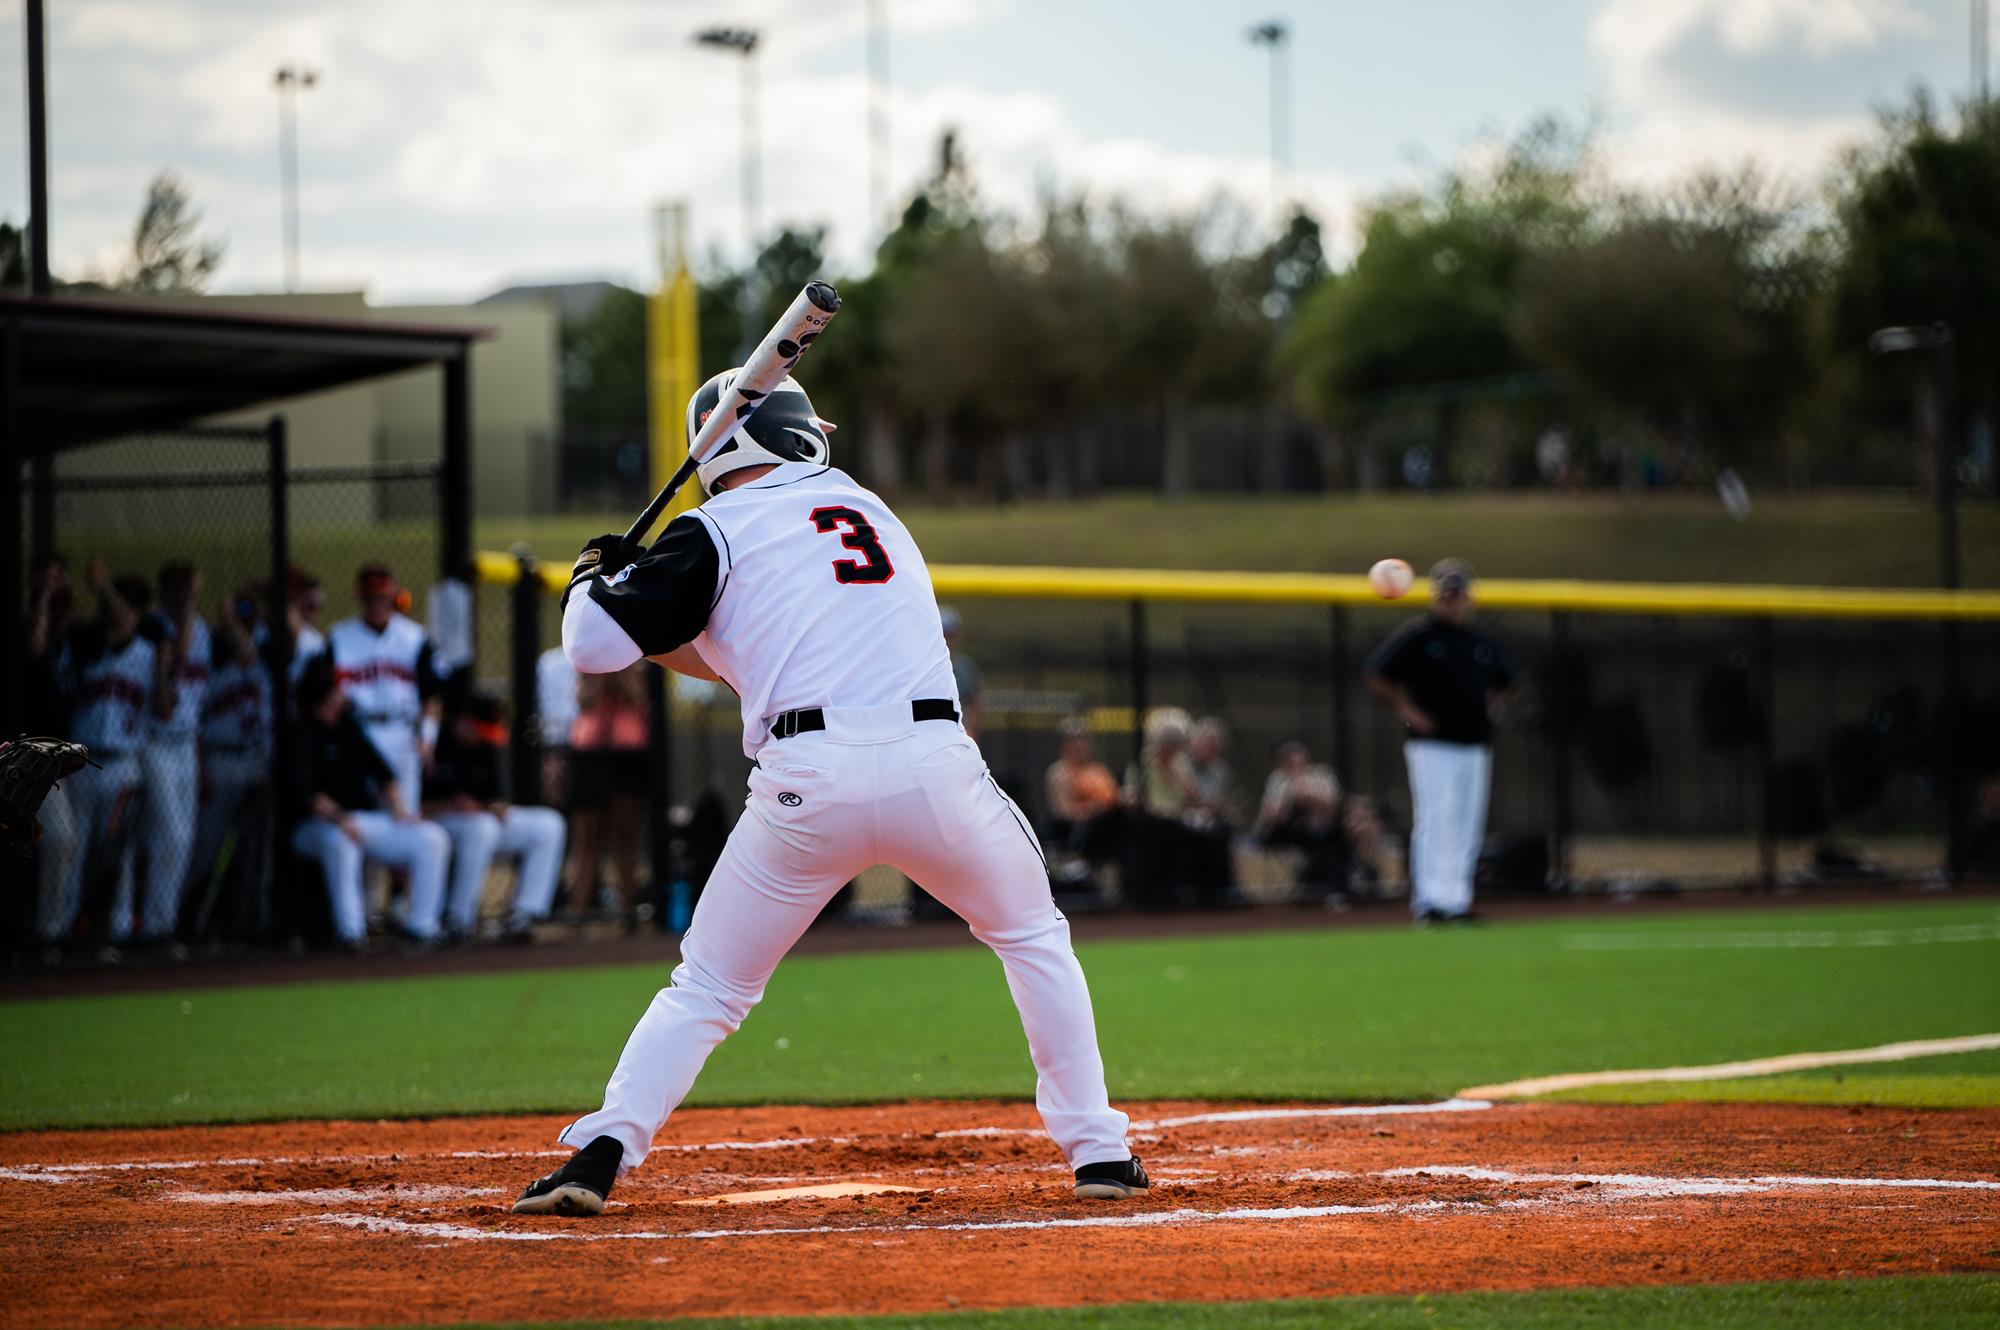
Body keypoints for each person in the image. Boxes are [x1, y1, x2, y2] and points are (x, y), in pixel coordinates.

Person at [512, 367, 1141, 1217]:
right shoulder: (871, 509)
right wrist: (654, 605)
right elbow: (738, 650)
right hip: (934, 768)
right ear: (788, 433)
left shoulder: (709, 529)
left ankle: (601, 1153)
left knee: (707, 988)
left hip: (808, 783)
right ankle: (1099, 1151)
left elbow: (592, 650)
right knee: (1033, 937)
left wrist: (599, 577)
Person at [1366, 559, 1513, 924]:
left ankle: (1457, 900)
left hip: (1475, 744)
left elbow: (1506, 680)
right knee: (1435, 819)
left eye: (1458, 595)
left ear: (1469, 598)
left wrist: (1493, 707)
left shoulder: (1480, 641)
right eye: (1446, 595)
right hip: (1432, 745)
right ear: (1436, 598)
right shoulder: (1419, 636)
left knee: (1467, 822)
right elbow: (1377, 673)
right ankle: (1429, 902)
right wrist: (1407, 711)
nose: (1453, 601)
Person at [38, 565, 164, 950]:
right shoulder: (87, 645)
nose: (115, 611)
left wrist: (103, 586)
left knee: (117, 855)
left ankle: (116, 931)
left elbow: (125, 620)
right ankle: (62, 933)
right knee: (75, 850)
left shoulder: (148, 650)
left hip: (124, 762)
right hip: (83, 761)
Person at [289, 659, 450, 950]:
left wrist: (400, 809)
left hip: (359, 820)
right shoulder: (303, 733)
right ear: (325, 697)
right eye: (337, 690)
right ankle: (351, 933)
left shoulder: (349, 726)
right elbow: (307, 796)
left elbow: (384, 775)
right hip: (316, 827)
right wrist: (340, 819)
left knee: (430, 838)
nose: (344, 694)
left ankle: (422, 926)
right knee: (341, 842)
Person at [426, 687, 568, 944]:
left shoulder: (484, 747)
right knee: (481, 827)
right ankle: (459, 919)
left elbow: (491, 799)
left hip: (480, 823)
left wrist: (495, 807)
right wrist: (454, 804)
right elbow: (419, 806)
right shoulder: (435, 744)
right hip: (440, 824)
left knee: (548, 824)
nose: (484, 738)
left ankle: (524, 914)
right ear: (463, 722)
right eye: (479, 730)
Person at [325, 563, 449, 807]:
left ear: (393, 596)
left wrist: (427, 738)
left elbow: (431, 697)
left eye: (381, 597)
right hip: (358, 733)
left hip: (402, 732)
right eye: (370, 598)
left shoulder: (415, 638)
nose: (376, 604)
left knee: (405, 813)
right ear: (360, 597)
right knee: (362, 811)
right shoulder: (339, 637)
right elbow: (327, 697)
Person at [132, 561, 209, 948]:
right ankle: (155, 926)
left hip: (186, 742)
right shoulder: (151, 627)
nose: (183, 595)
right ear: (165, 591)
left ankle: (162, 921)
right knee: (171, 835)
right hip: (153, 740)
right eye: (177, 589)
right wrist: (191, 603)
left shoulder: (205, 633)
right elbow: (176, 653)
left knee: (183, 836)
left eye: (189, 588)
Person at [186, 594, 273, 934]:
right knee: (204, 851)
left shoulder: (262, 661)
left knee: (253, 856)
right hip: (219, 760)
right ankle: (186, 919)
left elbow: (249, 653)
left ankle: (245, 923)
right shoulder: (212, 664)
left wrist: (237, 621)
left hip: (253, 760)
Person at [565, 663, 651, 927]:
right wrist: (600, 673)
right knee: (587, 838)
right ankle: (580, 911)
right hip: (590, 752)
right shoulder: (589, 660)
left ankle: (627, 910)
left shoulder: (636, 660)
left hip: (626, 752)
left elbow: (637, 698)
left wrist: (622, 671)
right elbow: (585, 701)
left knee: (625, 835)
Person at [1043, 717, 1122, 876]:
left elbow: (1114, 799)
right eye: (1074, 741)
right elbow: (1063, 812)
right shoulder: (1060, 772)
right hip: (1081, 832)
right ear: (1064, 745)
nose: (1080, 745)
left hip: (1109, 827)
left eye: (1083, 740)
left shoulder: (1098, 771)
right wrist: (1090, 809)